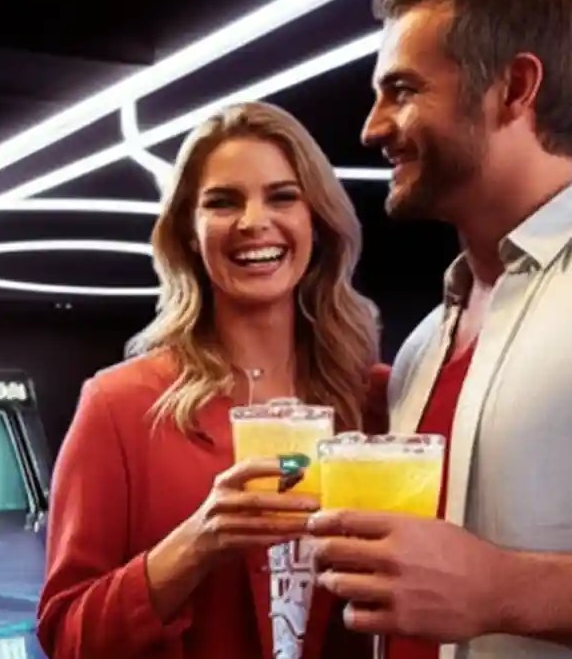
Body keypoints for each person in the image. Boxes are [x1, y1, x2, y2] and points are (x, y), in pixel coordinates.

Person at [308, 0, 572, 659]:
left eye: (402, 90)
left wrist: (503, 590)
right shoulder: (420, 345)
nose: (372, 127)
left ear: (515, 88)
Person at [36, 100, 387, 659]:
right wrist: (197, 541)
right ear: (189, 235)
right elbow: (67, 635)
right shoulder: (120, 406)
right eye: (223, 202)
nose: (253, 221)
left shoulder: (375, 400)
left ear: (317, 223)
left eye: (283, 196)